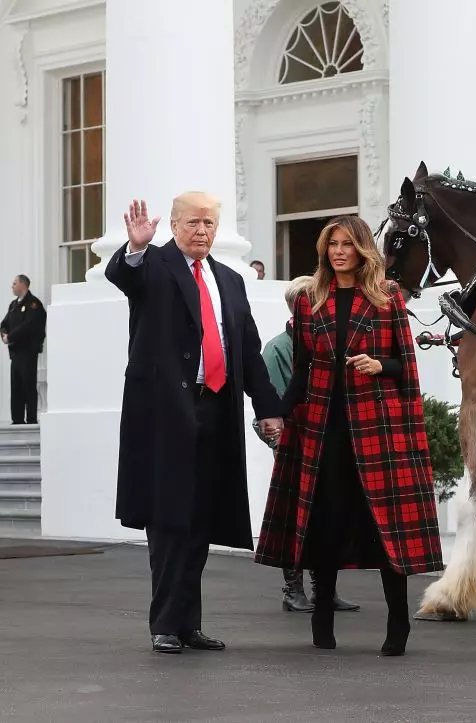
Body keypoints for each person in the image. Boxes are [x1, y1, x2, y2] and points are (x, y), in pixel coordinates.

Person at [254, 215, 443, 656]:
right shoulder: (309, 301)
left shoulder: (387, 297)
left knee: (386, 529)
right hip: (322, 431)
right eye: (332, 245)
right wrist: (276, 412)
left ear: (362, 249)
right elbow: (300, 371)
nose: (338, 251)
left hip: (377, 429)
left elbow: (405, 365)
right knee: (325, 526)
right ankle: (321, 619)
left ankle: (398, 623)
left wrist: (380, 366)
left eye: (346, 244)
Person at [105, 194, 284, 655]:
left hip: (216, 409)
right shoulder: (154, 267)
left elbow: (248, 350)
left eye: (209, 223)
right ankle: (164, 623)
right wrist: (136, 248)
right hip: (166, 412)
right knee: (169, 520)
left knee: (201, 518)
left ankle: (188, 624)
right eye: (193, 222)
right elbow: (123, 276)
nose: (202, 230)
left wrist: (267, 407)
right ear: (176, 224)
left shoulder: (230, 279)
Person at [255, 274, 360, 614]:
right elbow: (268, 406)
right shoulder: (278, 349)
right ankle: (293, 589)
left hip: (327, 443)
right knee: (294, 520)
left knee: (327, 518)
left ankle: (323, 590)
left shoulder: (328, 342)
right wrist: (279, 438)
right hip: (296, 445)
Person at [1, 275, 46, 425]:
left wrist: (10, 337)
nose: (12, 286)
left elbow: (28, 326)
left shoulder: (34, 304)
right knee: (16, 387)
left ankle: (31, 418)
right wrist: (4, 334)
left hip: (28, 352)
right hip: (15, 354)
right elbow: (5, 323)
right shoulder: (13, 305)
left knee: (28, 385)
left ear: (23, 285)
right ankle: (17, 419)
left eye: (14, 283)